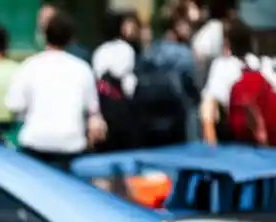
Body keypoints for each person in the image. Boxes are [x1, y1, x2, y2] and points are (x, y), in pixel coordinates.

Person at [6, 11, 105, 170]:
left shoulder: (29, 66)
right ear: (71, 39)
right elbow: (93, 110)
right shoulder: (82, 69)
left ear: (44, 35)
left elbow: (14, 105)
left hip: (34, 144)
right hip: (70, 147)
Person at [200, 19, 276, 142]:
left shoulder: (222, 66)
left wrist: (211, 151)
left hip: (236, 145)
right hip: (269, 143)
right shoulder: (265, 64)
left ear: (227, 43)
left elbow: (208, 109)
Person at [138, 5, 201, 143]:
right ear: (177, 26)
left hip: (152, 122)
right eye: (187, 24)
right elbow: (195, 87)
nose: (190, 29)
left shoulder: (149, 53)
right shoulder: (185, 55)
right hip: (182, 120)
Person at [92, 11, 142, 98]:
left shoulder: (100, 50)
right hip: (118, 96)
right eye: (126, 25)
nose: (131, 29)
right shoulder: (124, 49)